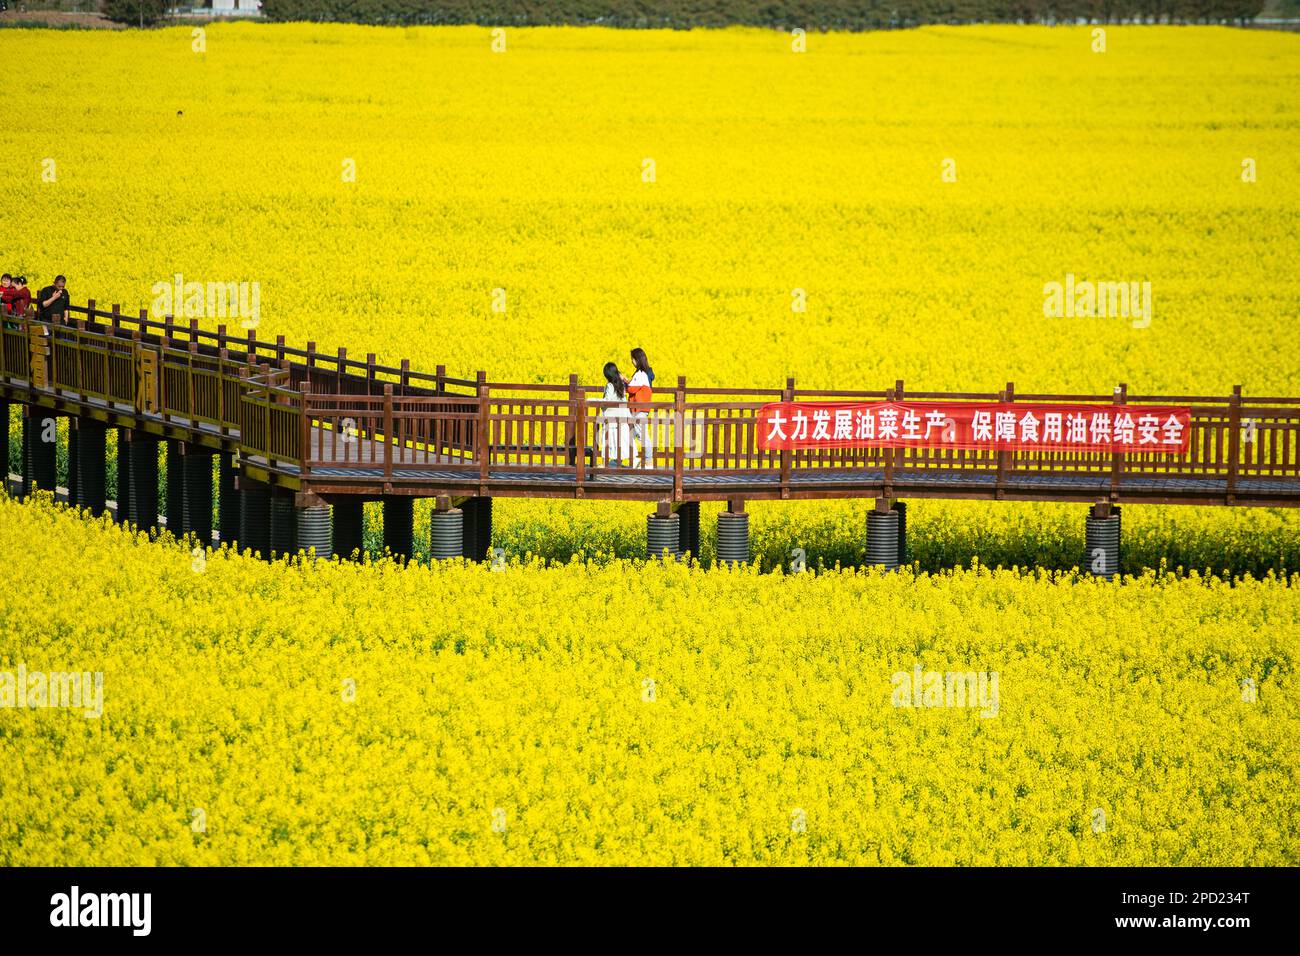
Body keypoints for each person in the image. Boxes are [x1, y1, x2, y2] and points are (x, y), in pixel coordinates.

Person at [597, 362, 633, 467]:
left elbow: (607, 400)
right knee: (620, 440)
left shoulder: (609, 385)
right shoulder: (621, 385)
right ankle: (619, 461)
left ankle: (604, 463)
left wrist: (593, 400)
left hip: (611, 419)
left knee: (607, 440)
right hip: (621, 419)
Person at [625, 347, 655, 468]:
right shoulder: (644, 374)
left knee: (642, 434)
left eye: (632, 358)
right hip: (640, 409)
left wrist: (624, 381)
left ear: (637, 359)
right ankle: (633, 459)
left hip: (639, 409)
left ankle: (648, 462)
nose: (631, 361)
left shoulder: (641, 374)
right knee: (632, 433)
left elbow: (631, 388)